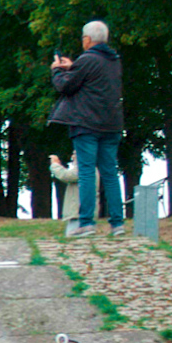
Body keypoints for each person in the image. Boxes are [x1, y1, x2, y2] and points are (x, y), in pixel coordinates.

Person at [49, 20, 125, 236]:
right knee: (110, 173)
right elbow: (92, 77)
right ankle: (117, 224)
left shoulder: (87, 59)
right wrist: (73, 67)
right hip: (112, 124)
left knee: (87, 173)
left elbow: (65, 85)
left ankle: (87, 223)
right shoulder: (114, 61)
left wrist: (57, 71)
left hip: (87, 124)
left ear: (88, 39)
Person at [48, 153, 107, 237]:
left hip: (78, 212)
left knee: (73, 239)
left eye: (75, 154)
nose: (72, 157)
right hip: (82, 211)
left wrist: (55, 165)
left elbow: (66, 176)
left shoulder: (84, 168)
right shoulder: (91, 168)